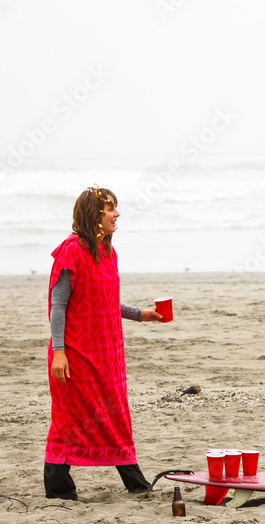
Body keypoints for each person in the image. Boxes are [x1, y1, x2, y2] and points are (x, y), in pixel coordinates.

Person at [45, 185, 163, 500]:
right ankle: (59, 487)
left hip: (108, 354)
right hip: (74, 353)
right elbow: (59, 306)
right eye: (110, 208)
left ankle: (135, 483)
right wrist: (59, 352)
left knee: (114, 413)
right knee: (71, 417)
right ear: (93, 215)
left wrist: (142, 314)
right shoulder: (71, 251)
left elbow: (104, 302)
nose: (117, 214)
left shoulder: (108, 253)